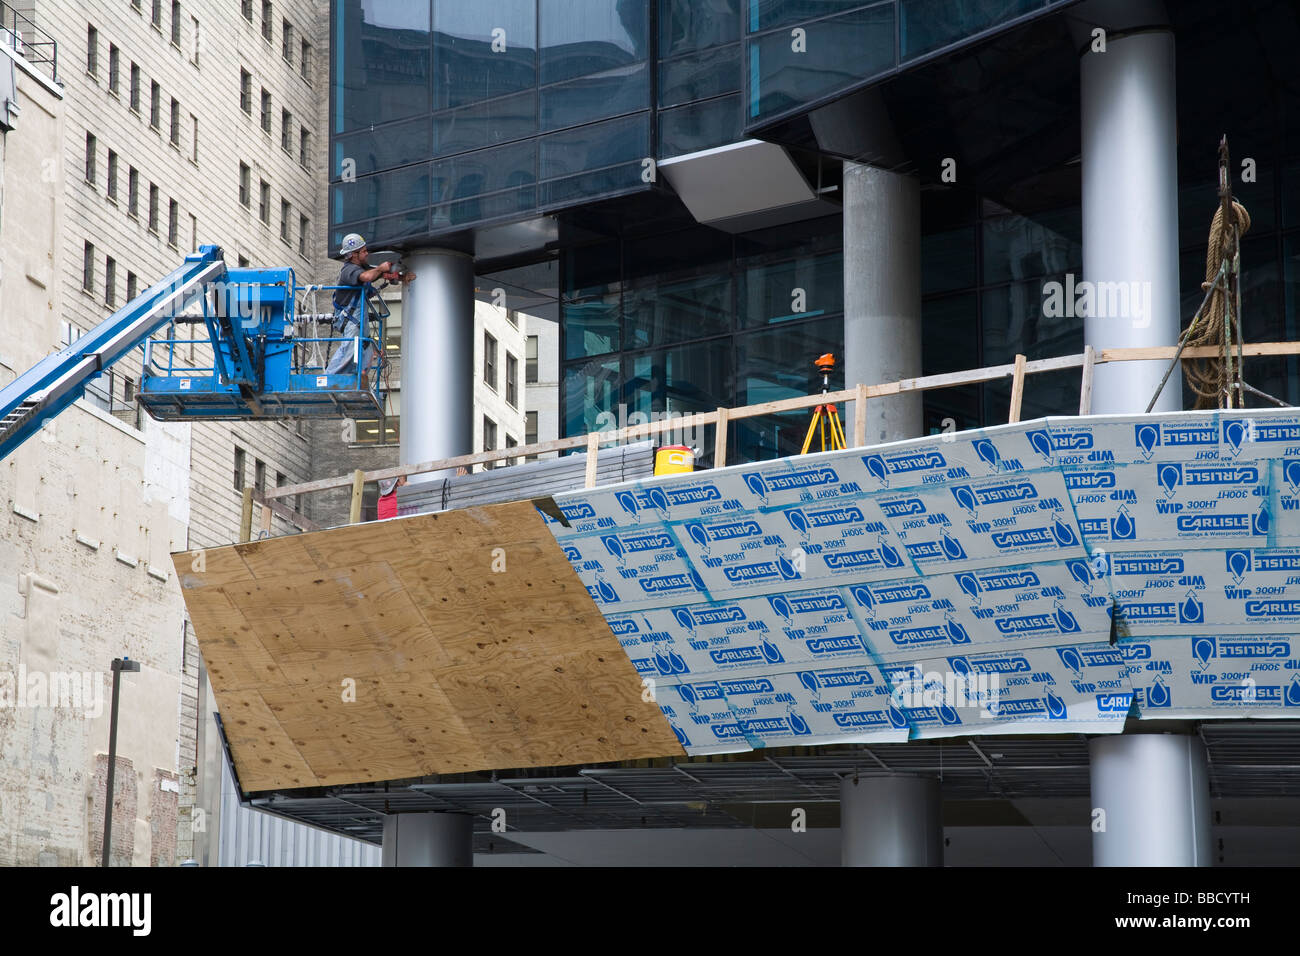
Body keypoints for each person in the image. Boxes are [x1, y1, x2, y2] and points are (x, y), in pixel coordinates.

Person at [326, 233, 415, 379]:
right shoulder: (348, 270)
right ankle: (328, 380)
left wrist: (401, 277)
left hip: (359, 321)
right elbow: (367, 277)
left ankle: (357, 382)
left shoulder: (362, 268)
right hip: (351, 320)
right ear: (354, 254)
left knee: (366, 354)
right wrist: (380, 269)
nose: (367, 253)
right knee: (349, 352)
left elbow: (376, 275)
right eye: (364, 251)